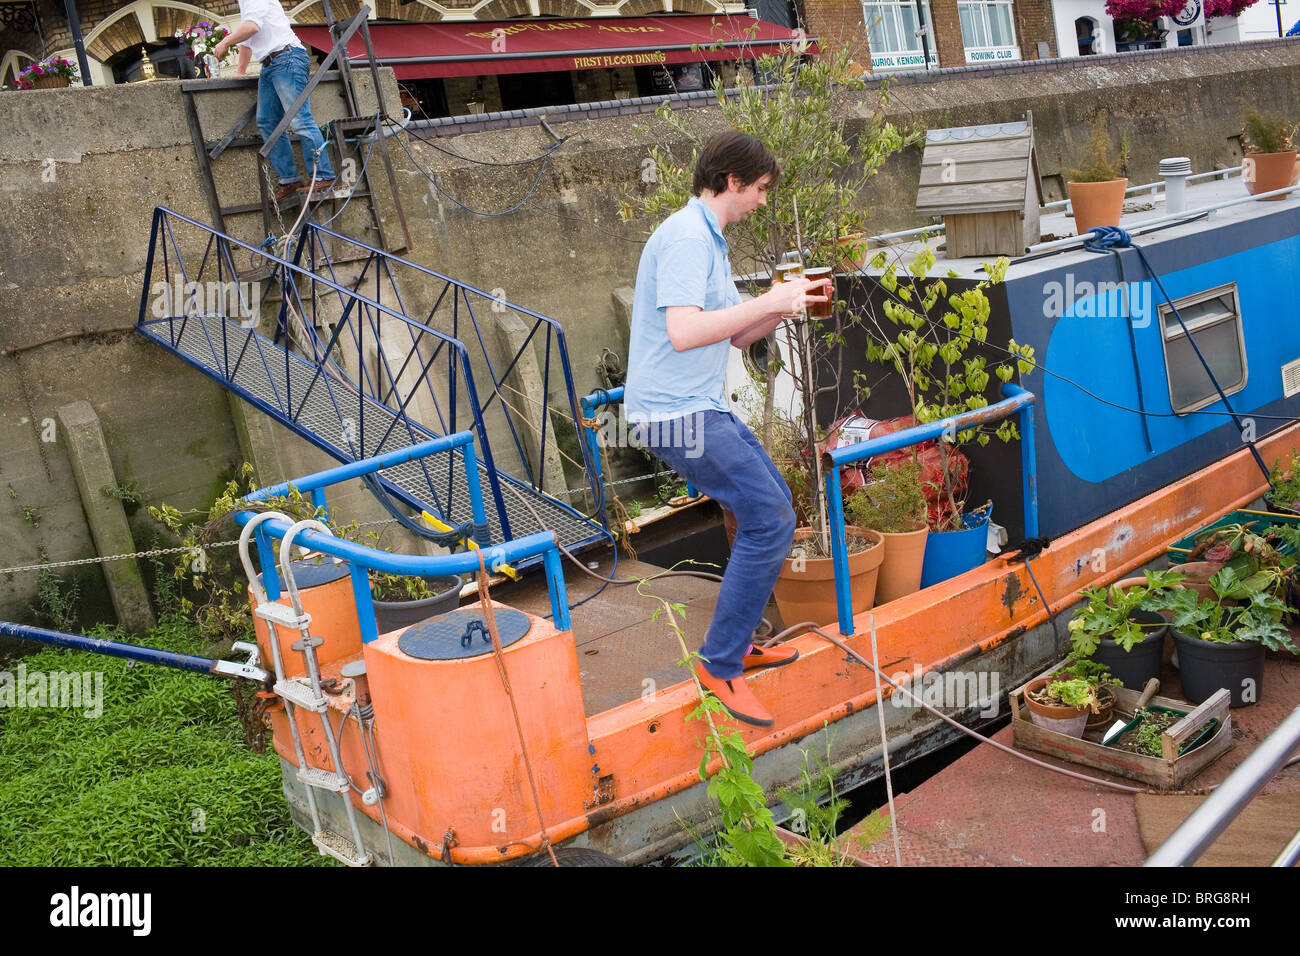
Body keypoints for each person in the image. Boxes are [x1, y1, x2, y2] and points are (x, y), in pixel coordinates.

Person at [624, 130, 829, 727]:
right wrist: (775, 300)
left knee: (770, 506)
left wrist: (777, 303)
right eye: (761, 189)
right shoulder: (688, 238)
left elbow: (736, 335)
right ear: (732, 181)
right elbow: (686, 332)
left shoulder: (707, 239)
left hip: (696, 405)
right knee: (770, 516)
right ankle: (720, 663)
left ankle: (740, 641)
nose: (764, 200)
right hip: (674, 414)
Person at [213, 1, 335, 202]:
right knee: (267, 121)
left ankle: (323, 175)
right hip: (271, 64)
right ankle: (289, 179)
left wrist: (225, 41)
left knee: (300, 119)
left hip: (286, 57)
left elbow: (252, 27)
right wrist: (240, 72)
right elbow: (248, 39)